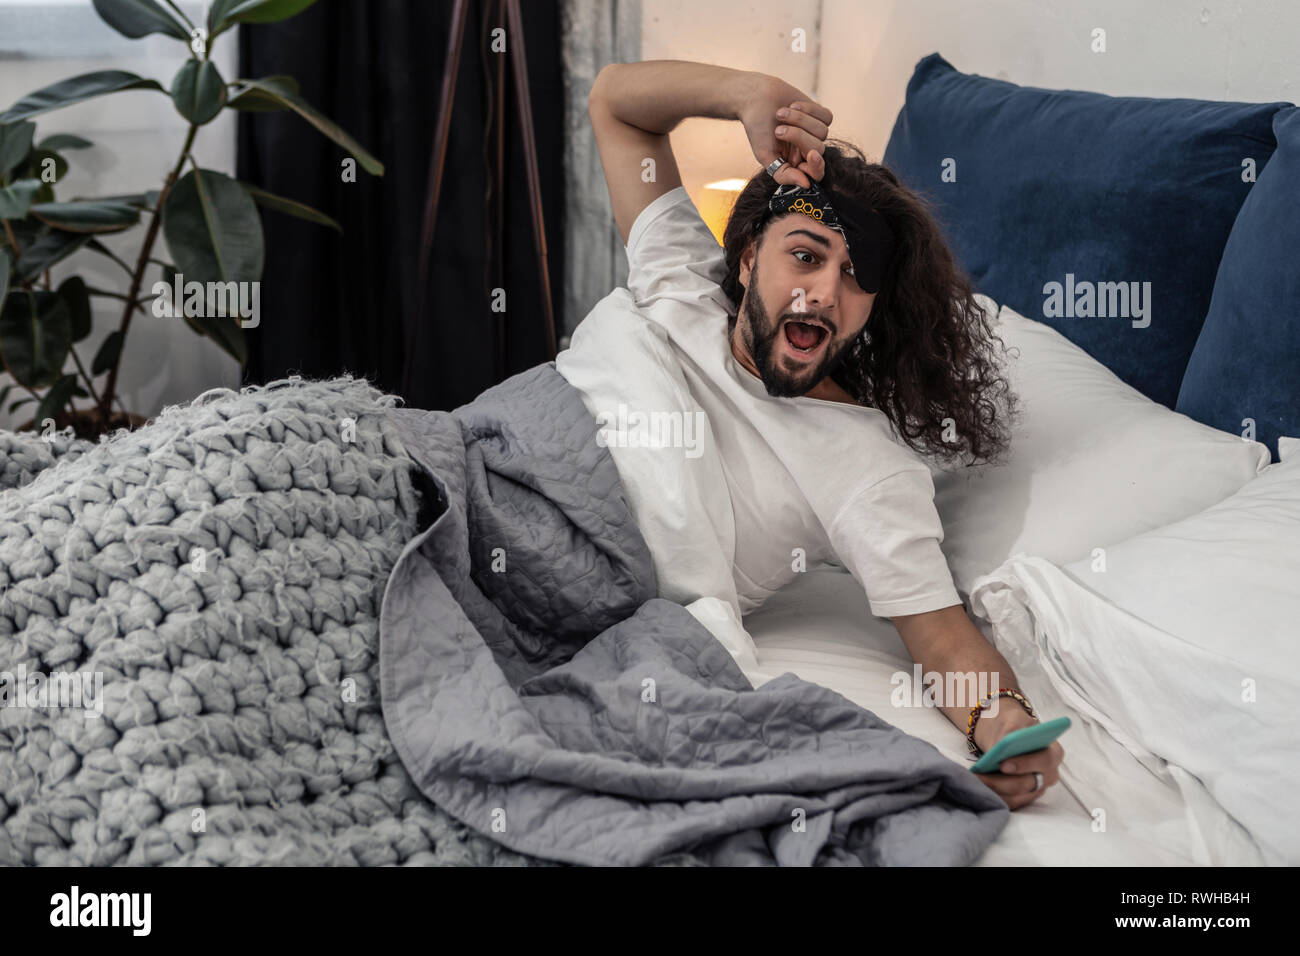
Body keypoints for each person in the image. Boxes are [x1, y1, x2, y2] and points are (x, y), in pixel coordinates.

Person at [556, 59, 1063, 811]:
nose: (826, 290)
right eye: (805, 254)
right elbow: (616, 103)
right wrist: (747, 95)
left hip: (564, 566)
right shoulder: (680, 276)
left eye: (856, 278)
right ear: (749, 253)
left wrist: (1000, 718)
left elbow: (944, 640)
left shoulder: (865, 466)